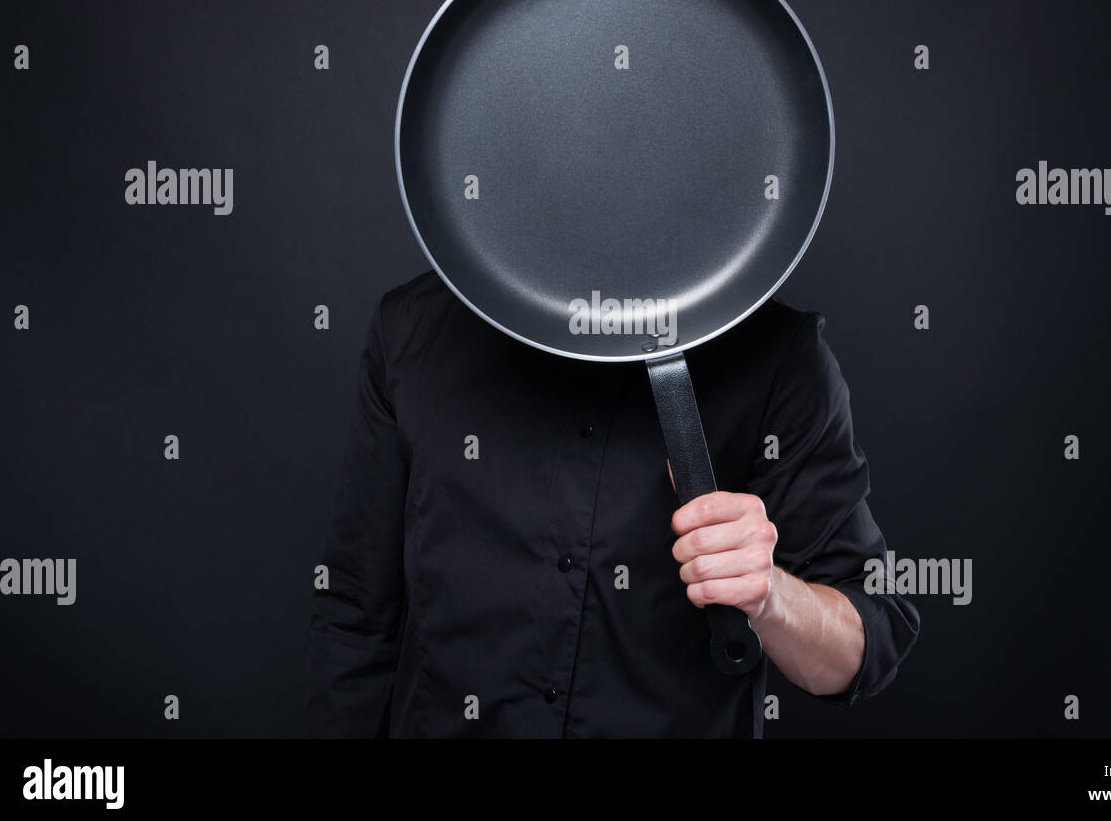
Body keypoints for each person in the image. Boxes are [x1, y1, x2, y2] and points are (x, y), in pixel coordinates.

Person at [303, 270, 919, 737]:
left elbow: (863, 647)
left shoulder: (780, 356)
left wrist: (770, 596)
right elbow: (355, 620)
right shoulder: (412, 328)